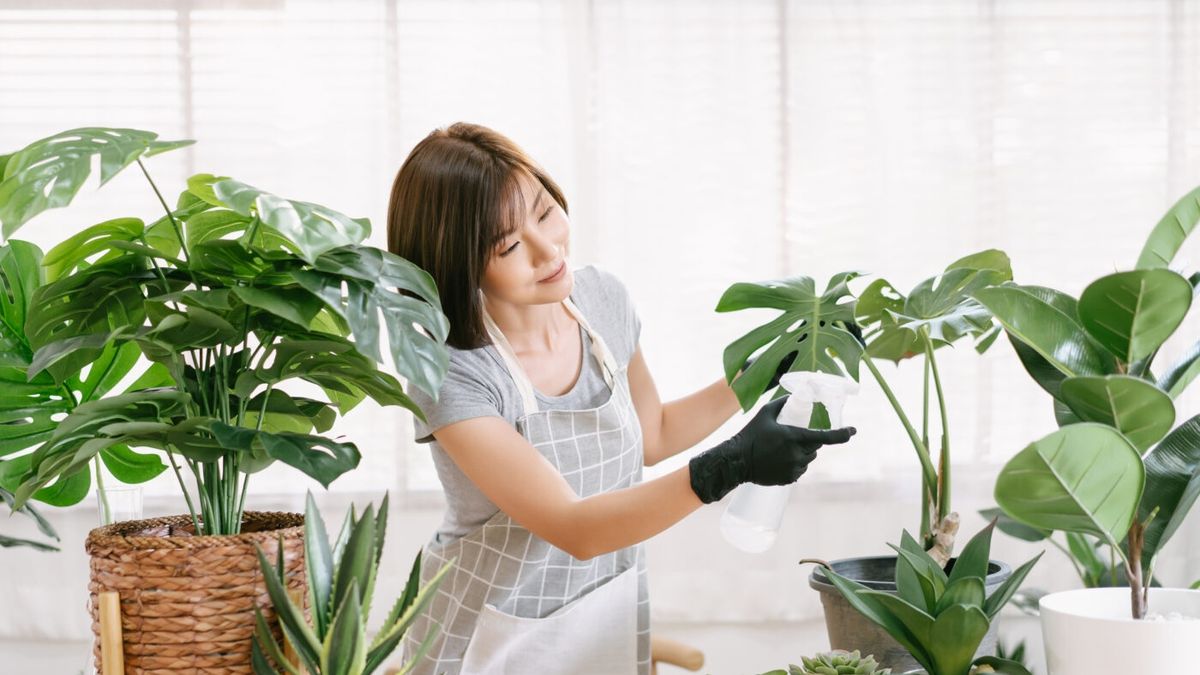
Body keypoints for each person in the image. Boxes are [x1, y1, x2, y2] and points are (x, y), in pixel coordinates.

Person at [387, 122, 855, 675]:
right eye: (509, 245)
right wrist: (728, 466)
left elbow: (651, 435)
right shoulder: (451, 370)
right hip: (481, 638)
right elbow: (574, 527)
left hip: (599, 617)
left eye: (543, 212)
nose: (548, 250)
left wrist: (767, 368)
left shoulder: (600, 299)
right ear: (457, 265)